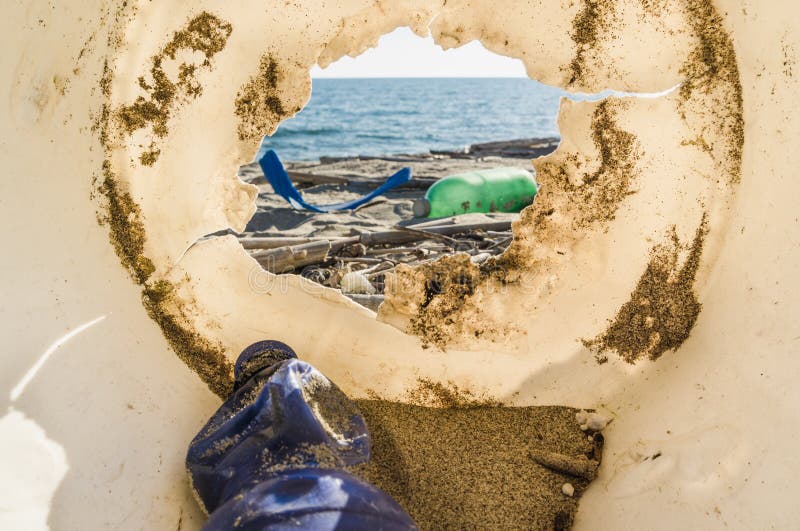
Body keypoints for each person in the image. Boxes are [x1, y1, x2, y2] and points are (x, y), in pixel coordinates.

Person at [186, 340, 417, 530]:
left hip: (274, 513)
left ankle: (271, 386)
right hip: (372, 518)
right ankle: (279, 388)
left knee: (290, 464)